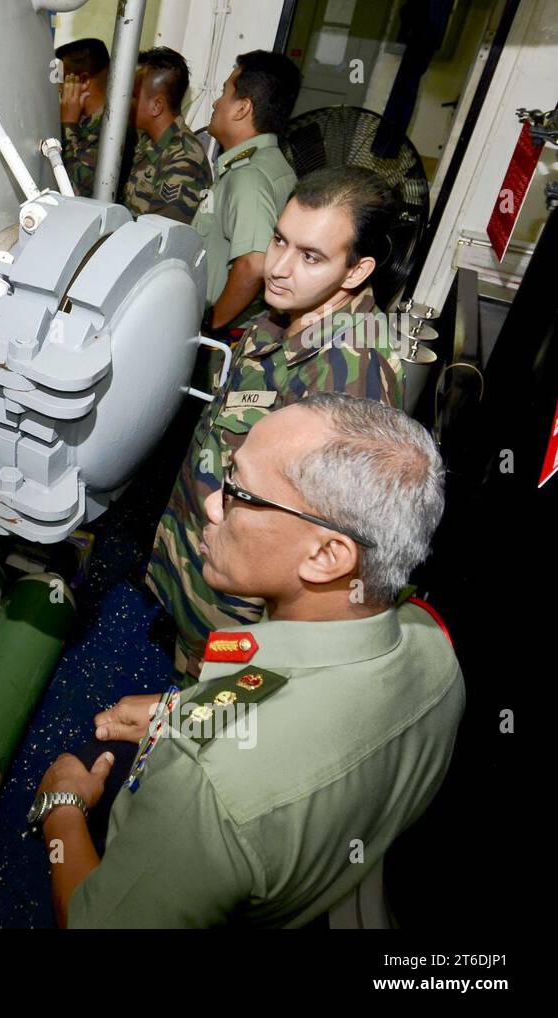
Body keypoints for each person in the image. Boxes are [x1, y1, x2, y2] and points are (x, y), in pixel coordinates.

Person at [33, 394, 463, 927]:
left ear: (327, 556)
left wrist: (64, 814)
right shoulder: (435, 646)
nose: (213, 505)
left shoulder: (209, 791)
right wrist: (182, 712)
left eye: (239, 491)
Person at [148, 165, 406, 682]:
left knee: (206, 716)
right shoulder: (285, 313)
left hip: (240, 607)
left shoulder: (350, 380)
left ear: (356, 272)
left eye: (311, 256)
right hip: (201, 551)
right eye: (279, 240)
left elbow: (316, 542)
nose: (278, 268)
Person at [195, 50, 301, 332]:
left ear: (242, 108)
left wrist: (210, 325)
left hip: (218, 335)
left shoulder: (248, 176)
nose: (216, 103)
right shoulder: (275, 164)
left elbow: (253, 265)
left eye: (224, 92)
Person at [122, 47, 212, 224]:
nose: (125, 101)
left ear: (156, 106)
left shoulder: (183, 160)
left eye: (133, 95)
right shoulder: (148, 142)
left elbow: (160, 239)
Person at [57, 37, 111, 196]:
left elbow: (75, 190)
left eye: (64, 80)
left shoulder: (110, 130)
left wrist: (68, 124)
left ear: (84, 81)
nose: (60, 89)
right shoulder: (86, 121)